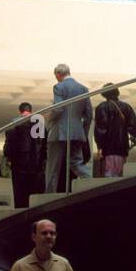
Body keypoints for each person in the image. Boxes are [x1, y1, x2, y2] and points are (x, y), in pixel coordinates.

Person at [45, 63, 93, 193]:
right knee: (76, 163)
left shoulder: (58, 87)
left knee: (53, 167)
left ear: (59, 74)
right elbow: (89, 115)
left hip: (58, 132)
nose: (56, 79)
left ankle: (48, 196)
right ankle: (93, 182)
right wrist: (83, 132)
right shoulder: (83, 89)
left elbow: (58, 108)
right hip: (76, 133)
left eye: (56, 76)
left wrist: (49, 119)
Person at [3, 102, 43, 210]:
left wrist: (8, 158)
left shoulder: (14, 125)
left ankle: (20, 214)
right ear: (31, 111)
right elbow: (42, 145)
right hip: (35, 166)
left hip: (18, 166)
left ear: (20, 111)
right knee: (33, 195)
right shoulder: (38, 124)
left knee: (19, 195)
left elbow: (8, 147)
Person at [94, 86, 136, 178]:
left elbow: (100, 129)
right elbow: (134, 126)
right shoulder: (126, 107)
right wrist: (133, 136)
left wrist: (100, 146)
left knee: (109, 173)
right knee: (119, 173)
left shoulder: (102, 107)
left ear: (104, 94)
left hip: (108, 147)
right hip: (122, 146)